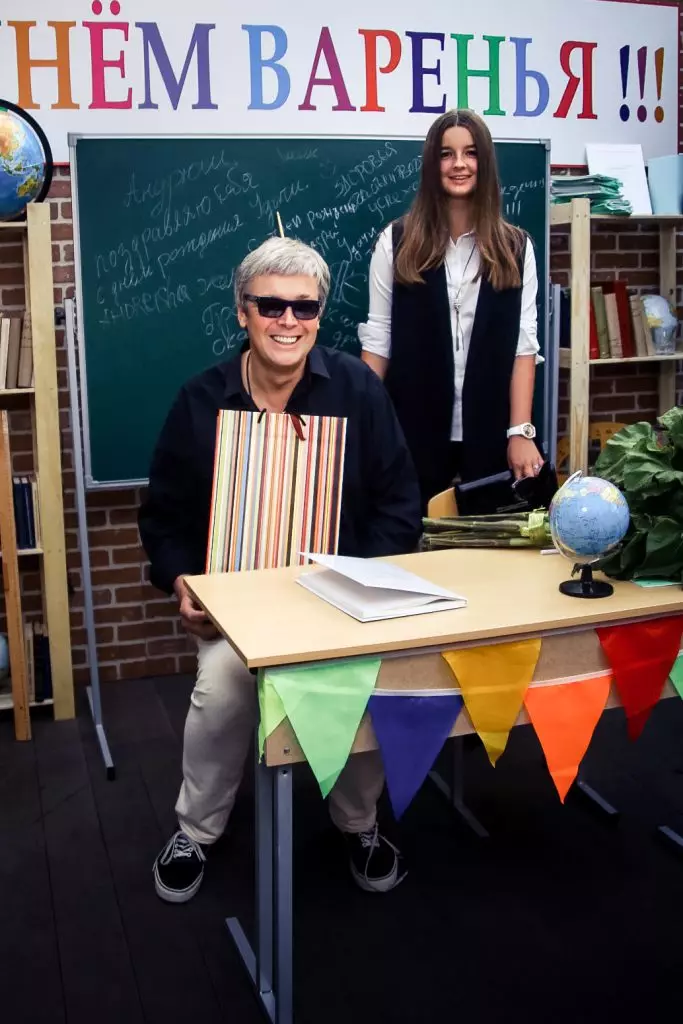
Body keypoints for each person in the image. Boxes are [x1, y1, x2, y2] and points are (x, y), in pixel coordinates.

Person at [139, 237, 422, 903]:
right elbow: (164, 517)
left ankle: (358, 824)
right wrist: (182, 583)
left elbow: (398, 504)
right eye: (270, 305)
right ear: (243, 311)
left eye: (303, 307)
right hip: (237, 614)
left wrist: (362, 586)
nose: (286, 321)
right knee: (222, 690)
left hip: (340, 604)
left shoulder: (358, 390)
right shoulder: (199, 401)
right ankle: (197, 829)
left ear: (320, 314)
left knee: (364, 685)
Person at [359, 108, 544, 510]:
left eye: (470, 152)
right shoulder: (396, 242)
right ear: (432, 163)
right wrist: (364, 423)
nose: (459, 164)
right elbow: (378, 341)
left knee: (488, 555)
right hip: (411, 432)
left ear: (486, 162)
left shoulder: (517, 248)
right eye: (446, 154)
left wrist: (521, 431)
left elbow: (523, 347)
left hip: (494, 432)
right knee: (409, 549)